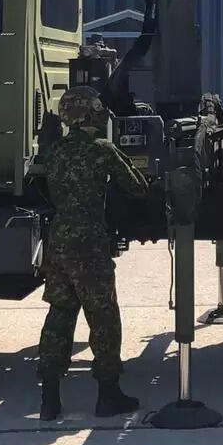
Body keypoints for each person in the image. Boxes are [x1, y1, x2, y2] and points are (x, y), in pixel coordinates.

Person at [35, 85, 151, 419]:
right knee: (103, 319)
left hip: (59, 242)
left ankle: (50, 399)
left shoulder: (54, 150)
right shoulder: (102, 149)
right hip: (89, 243)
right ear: (91, 113)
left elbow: (42, 185)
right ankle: (108, 395)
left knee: (59, 316)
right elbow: (137, 188)